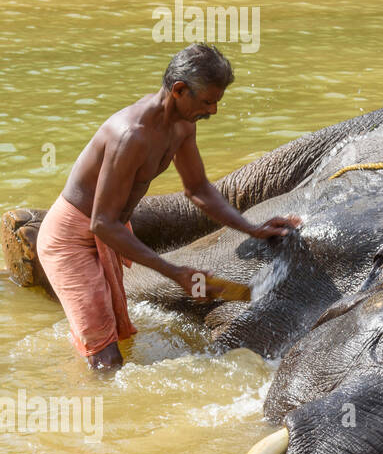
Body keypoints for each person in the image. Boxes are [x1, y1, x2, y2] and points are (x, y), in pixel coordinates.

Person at [36, 44, 299, 369]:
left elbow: (198, 188)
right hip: (71, 239)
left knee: (117, 334)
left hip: (111, 230)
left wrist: (252, 228)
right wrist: (176, 273)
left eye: (217, 101)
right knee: (106, 357)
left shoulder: (182, 125)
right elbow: (101, 223)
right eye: (207, 101)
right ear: (178, 90)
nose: (213, 111)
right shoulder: (130, 136)